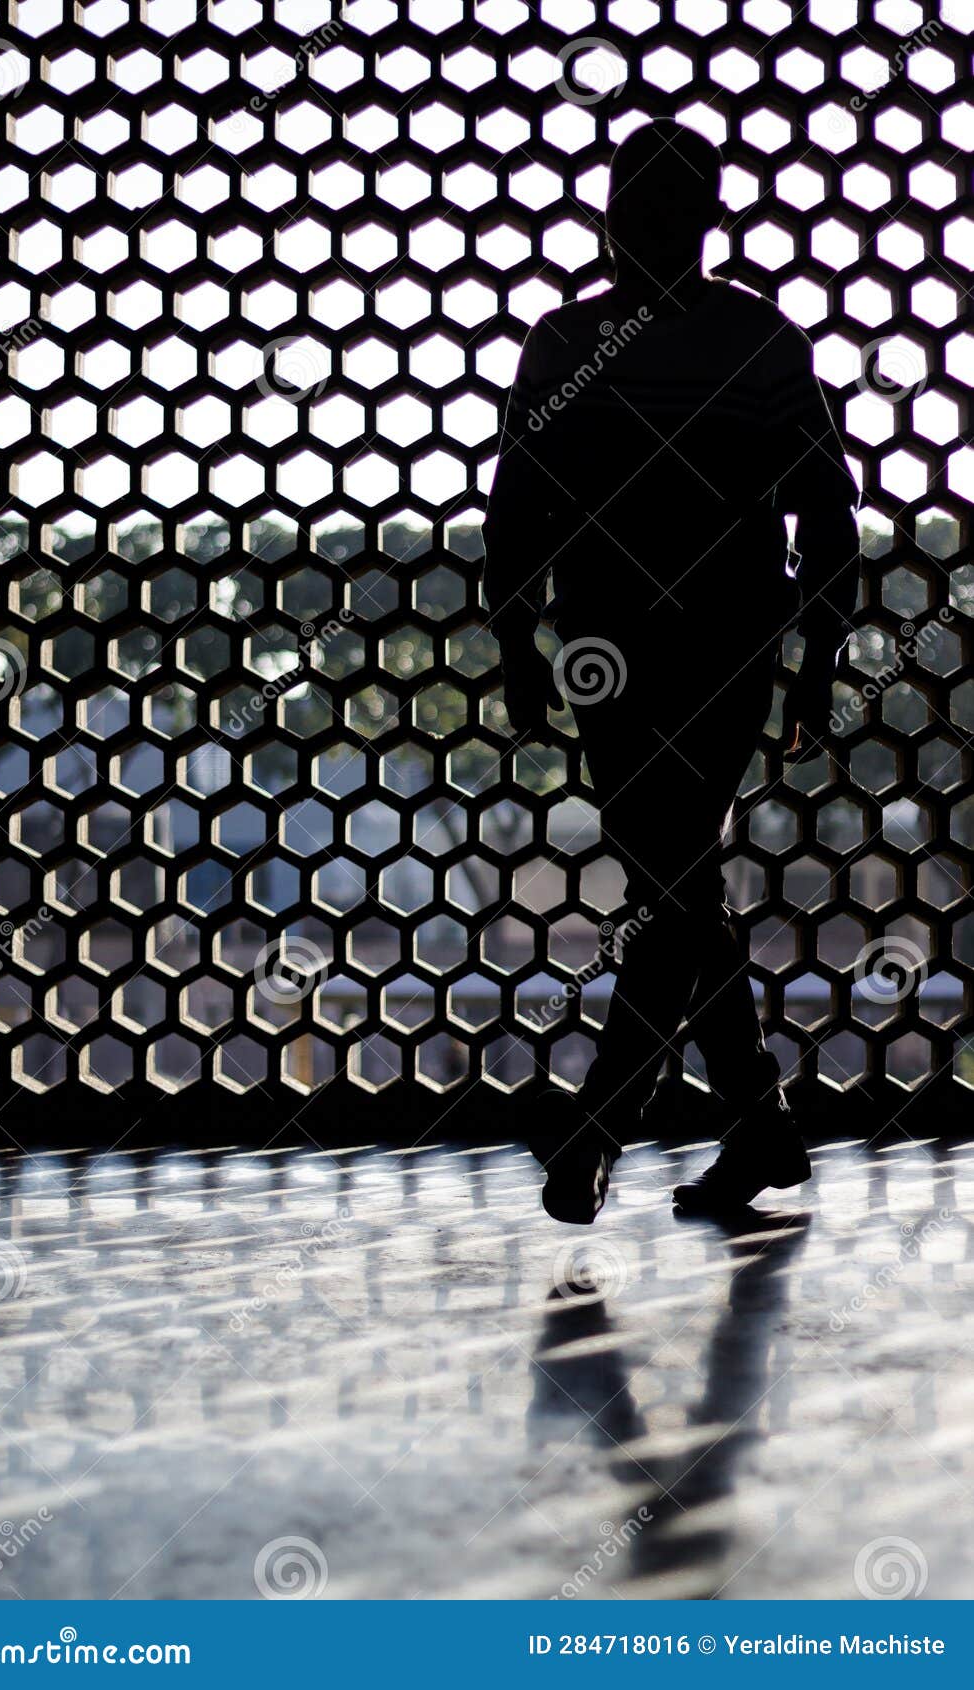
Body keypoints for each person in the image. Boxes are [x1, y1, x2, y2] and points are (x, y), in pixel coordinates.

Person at [482, 120, 860, 1223]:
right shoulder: (755, 344)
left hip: (625, 651)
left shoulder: (567, 343)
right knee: (674, 886)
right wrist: (816, 654)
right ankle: (758, 1127)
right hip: (710, 646)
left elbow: (521, 515)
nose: (633, 228)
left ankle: (597, 1135)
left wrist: (517, 638)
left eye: (646, 208)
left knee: (666, 885)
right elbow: (825, 518)